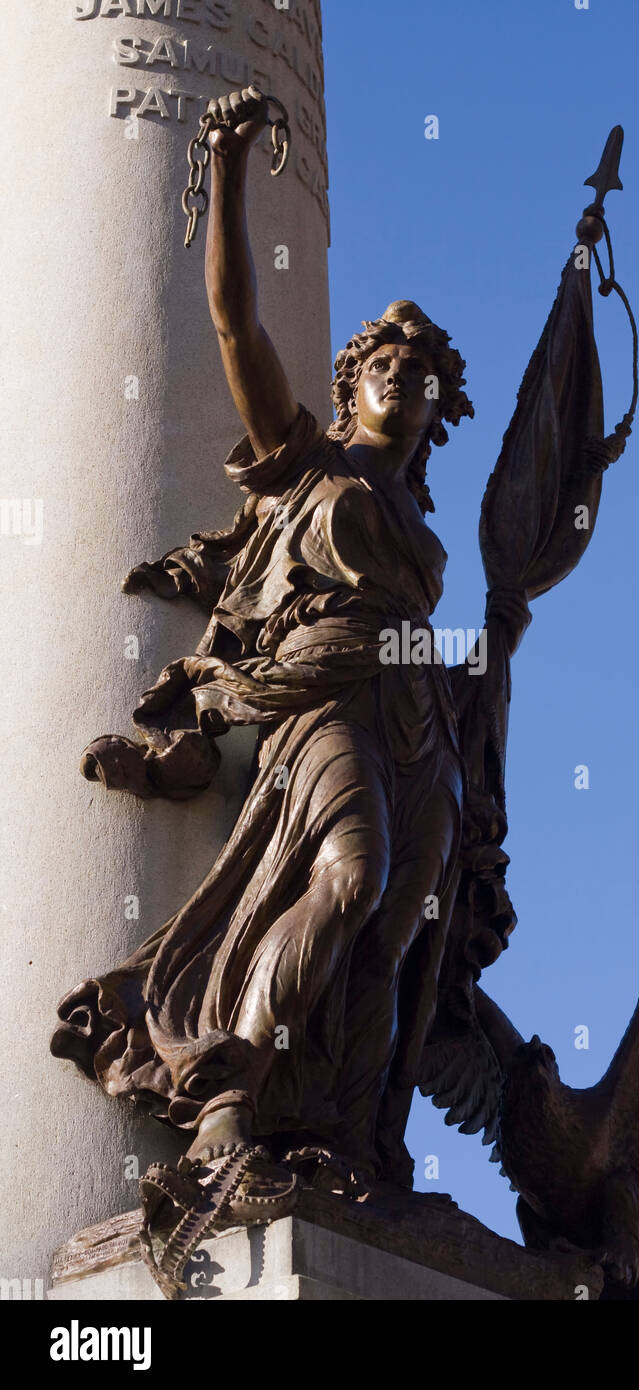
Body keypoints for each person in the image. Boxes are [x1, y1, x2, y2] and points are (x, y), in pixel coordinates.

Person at [53, 87, 474, 1190]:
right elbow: (237, 323)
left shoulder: (422, 527)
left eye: (424, 371)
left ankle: (348, 1133)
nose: (404, 374)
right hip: (326, 690)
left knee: (393, 938)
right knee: (348, 875)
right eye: (385, 359)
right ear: (348, 381)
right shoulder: (304, 461)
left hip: (417, 718)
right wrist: (227, 166)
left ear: (439, 408)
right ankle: (228, 1096)